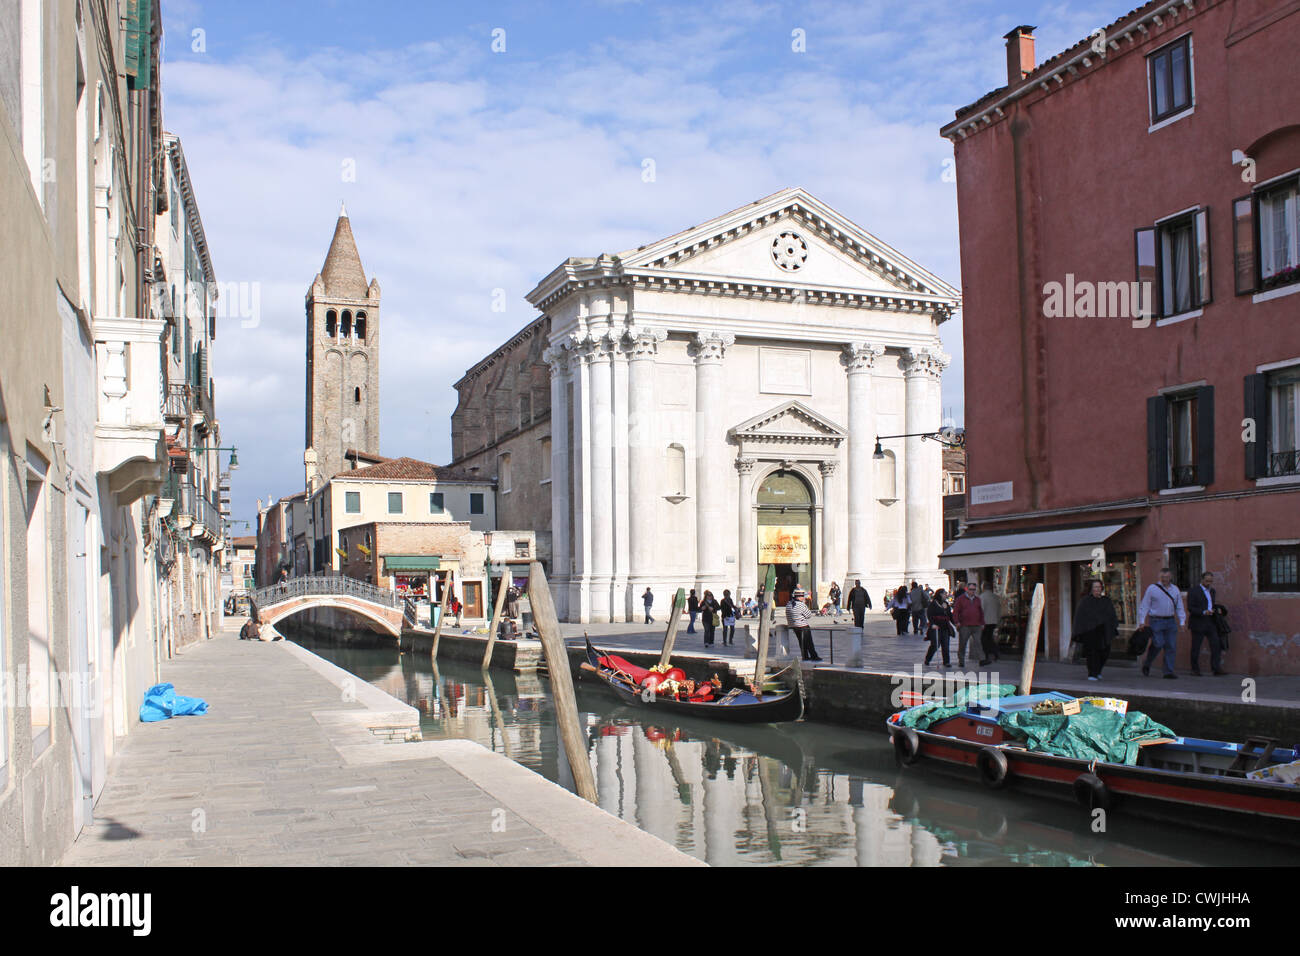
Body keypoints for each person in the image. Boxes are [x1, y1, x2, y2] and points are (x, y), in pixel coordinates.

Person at [1138, 567, 1186, 679]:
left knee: (1171, 646)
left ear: (1171, 577)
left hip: (1170, 620)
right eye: (1163, 577)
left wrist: (1182, 621)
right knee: (1158, 643)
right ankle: (1147, 663)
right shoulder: (1152, 588)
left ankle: (1168, 671)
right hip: (1156, 620)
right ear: (1159, 577)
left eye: (1167, 577)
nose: (1165, 579)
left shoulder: (1175, 590)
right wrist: (1141, 621)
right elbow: (1145, 605)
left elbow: (1179, 607)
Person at [1073, 579, 1118, 680]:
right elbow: (1080, 617)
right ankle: (1092, 673)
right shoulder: (1085, 601)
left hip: (1104, 631)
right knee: (1092, 654)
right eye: (1095, 587)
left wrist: (1112, 626)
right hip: (1091, 632)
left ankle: (1098, 671)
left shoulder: (1106, 600)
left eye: (1099, 587)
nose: (1097, 589)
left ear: (1102, 588)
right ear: (1091, 589)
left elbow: (1111, 615)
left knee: (1105, 653)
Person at [1187, 572, 1226, 676]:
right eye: (1207, 581)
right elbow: (1190, 608)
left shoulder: (1212, 591)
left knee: (1216, 644)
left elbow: (1211, 604)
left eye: (1210, 581)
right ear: (1202, 580)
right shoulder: (1194, 591)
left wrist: (1215, 610)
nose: (1209, 583)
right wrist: (1203, 611)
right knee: (1196, 646)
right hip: (1198, 622)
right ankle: (1195, 669)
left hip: (1210, 621)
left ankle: (1216, 668)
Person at [952, 581, 985, 668]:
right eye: (971, 589)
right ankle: (961, 660)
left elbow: (981, 612)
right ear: (967, 589)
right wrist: (957, 622)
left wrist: (982, 623)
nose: (972, 591)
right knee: (962, 643)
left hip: (976, 625)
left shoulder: (977, 599)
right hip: (964, 625)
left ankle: (982, 659)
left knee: (978, 642)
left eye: (974, 590)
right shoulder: (960, 599)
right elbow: (955, 612)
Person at [785, 588, 821, 661]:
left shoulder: (789, 604)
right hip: (803, 625)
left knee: (801, 641)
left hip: (794, 626)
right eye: (803, 596)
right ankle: (814, 656)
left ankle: (805, 656)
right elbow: (809, 615)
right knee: (809, 642)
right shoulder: (801, 605)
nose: (804, 598)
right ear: (799, 597)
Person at [924, 589, 955, 668]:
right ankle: (928, 659)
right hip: (936, 627)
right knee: (935, 645)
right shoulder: (933, 604)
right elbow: (929, 615)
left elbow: (950, 615)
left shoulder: (946, 604)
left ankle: (946, 661)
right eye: (945, 594)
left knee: (945, 644)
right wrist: (932, 624)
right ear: (940, 594)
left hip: (945, 627)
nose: (946, 595)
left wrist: (955, 623)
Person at [978, 581, 1001, 666]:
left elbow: (981, 610)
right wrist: (998, 620)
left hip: (985, 622)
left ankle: (987, 655)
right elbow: (999, 609)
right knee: (989, 637)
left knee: (984, 639)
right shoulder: (995, 597)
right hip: (994, 621)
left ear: (983, 588)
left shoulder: (982, 597)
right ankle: (995, 653)